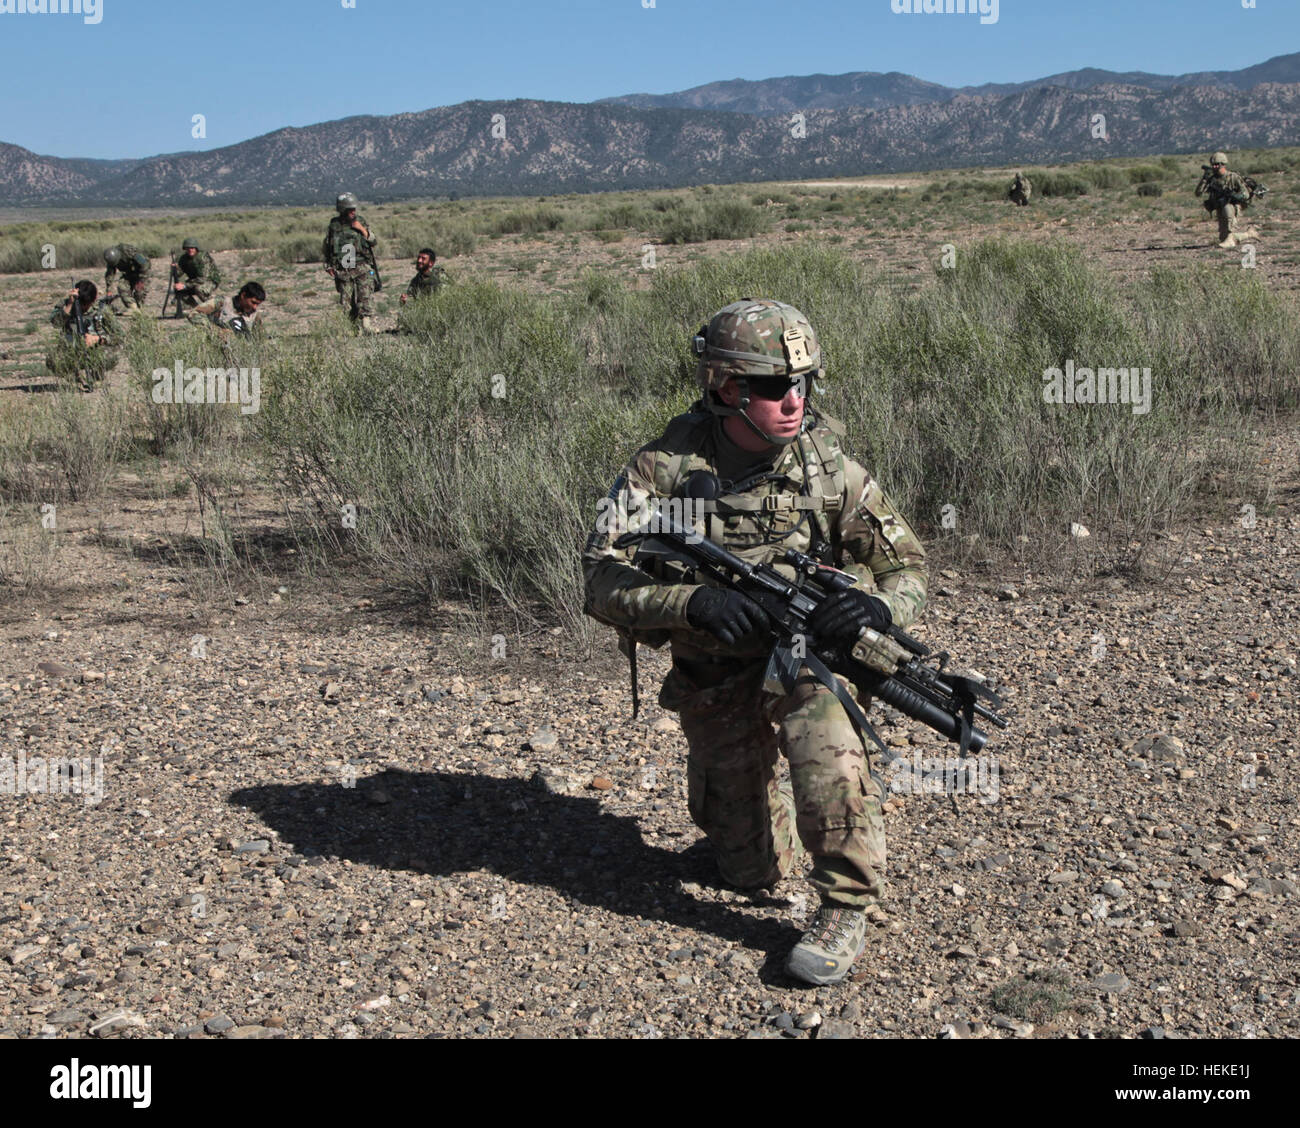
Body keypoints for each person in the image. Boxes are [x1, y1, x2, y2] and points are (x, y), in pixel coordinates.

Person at [582, 299, 928, 986]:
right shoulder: (666, 468)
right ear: (725, 387)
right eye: (774, 386)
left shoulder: (827, 470)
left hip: (804, 659)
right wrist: (693, 602)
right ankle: (765, 838)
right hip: (715, 668)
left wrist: (874, 607)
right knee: (748, 872)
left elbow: (909, 568)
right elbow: (598, 576)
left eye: (804, 383)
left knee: (825, 732)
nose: (794, 400)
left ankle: (846, 904)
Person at [322, 191, 379, 333]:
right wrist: (328, 264)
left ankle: (366, 324)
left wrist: (361, 229)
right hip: (343, 268)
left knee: (365, 296)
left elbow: (373, 241)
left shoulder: (360, 221)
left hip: (362, 265)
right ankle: (352, 327)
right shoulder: (334, 225)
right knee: (346, 300)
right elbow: (328, 245)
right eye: (350, 210)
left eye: (354, 209)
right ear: (342, 210)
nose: (353, 212)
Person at [46, 279, 119, 390]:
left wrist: (98, 339)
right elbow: (55, 323)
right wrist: (70, 305)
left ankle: (96, 377)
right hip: (71, 350)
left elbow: (118, 336)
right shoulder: (67, 304)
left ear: (94, 300)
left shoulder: (102, 310)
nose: (84, 308)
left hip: (95, 351)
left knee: (112, 355)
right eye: (81, 304)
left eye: (87, 305)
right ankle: (74, 378)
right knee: (52, 359)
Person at [1196, 151, 1260, 249]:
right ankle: (1249, 234)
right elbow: (1198, 193)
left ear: (1223, 164)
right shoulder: (1212, 179)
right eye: (1213, 165)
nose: (1214, 167)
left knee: (1227, 209)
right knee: (1223, 238)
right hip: (1219, 206)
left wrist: (1234, 196)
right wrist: (1204, 179)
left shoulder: (1233, 177)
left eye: (1217, 165)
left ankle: (1232, 236)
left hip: (1232, 206)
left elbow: (1245, 194)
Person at [188, 281, 266, 334]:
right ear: (243, 296)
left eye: (257, 304)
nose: (255, 307)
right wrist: (216, 330)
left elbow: (259, 339)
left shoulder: (254, 315)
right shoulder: (222, 303)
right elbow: (194, 314)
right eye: (253, 302)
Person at [171, 237, 222, 311]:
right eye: (187, 248)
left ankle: (214, 308)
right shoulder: (184, 258)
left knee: (199, 289)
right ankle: (197, 309)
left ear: (196, 248)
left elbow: (203, 279)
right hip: (195, 281)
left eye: (192, 248)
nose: (190, 250)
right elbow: (179, 274)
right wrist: (175, 268)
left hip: (210, 281)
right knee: (179, 290)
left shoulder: (203, 257)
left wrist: (185, 286)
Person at [102, 244, 152, 311]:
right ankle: (134, 308)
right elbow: (110, 275)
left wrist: (141, 281)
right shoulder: (112, 260)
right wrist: (109, 290)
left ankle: (140, 309)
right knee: (121, 287)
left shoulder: (128, 252)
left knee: (139, 291)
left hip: (141, 272)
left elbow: (144, 264)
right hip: (129, 273)